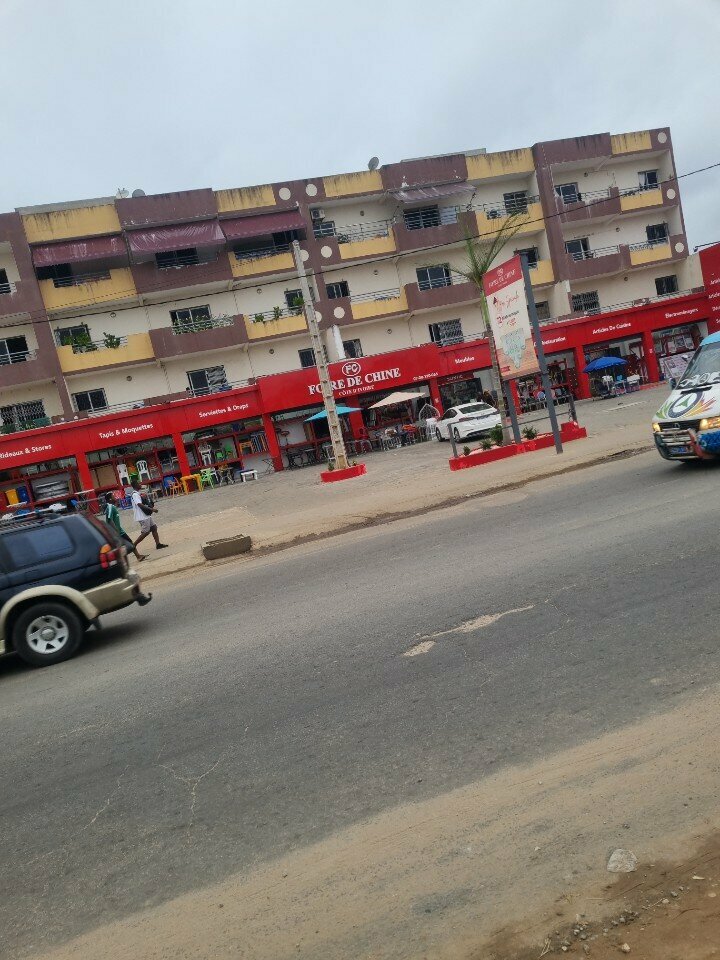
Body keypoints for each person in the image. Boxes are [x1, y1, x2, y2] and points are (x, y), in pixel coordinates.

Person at [103, 491, 145, 562]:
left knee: (128, 543)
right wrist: (115, 531)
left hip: (120, 530)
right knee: (122, 547)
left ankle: (138, 556)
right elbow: (110, 520)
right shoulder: (110, 507)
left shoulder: (112, 506)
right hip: (116, 532)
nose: (115, 497)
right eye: (113, 496)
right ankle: (126, 560)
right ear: (110, 499)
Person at [129, 479, 168, 551]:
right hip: (142, 516)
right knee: (146, 532)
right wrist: (152, 509)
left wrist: (145, 498)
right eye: (138, 483)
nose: (140, 484)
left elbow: (143, 503)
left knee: (154, 528)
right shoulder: (135, 494)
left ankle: (158, 544)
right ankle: (133, 545)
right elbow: (140, 505)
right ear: (135, 486)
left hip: (145, 515)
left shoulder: (138, 493)